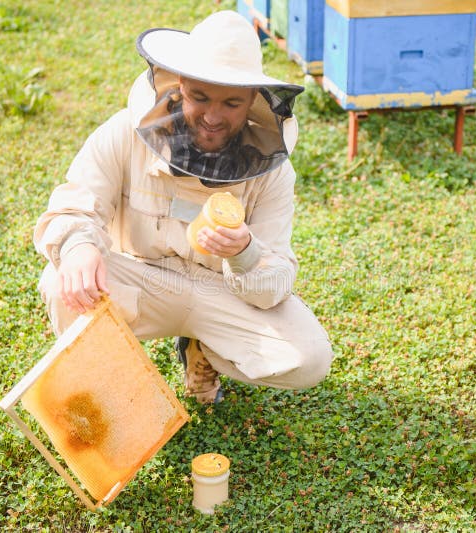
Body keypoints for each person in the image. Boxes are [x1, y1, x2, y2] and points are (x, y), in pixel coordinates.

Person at [33, 10, 334, 404]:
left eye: (231, 103)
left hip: (219, 292)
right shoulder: (124, 132)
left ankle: (203, 350)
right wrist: (79, 247)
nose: (212, 116)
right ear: (179, 86)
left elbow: (275, 280)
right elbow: (74, 204)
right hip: (141, 278)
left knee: (309, 358)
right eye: (200, 97)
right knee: (60, 282)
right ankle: (116, 387)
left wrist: (245, 252)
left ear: (253, 103)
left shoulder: (273, 173)